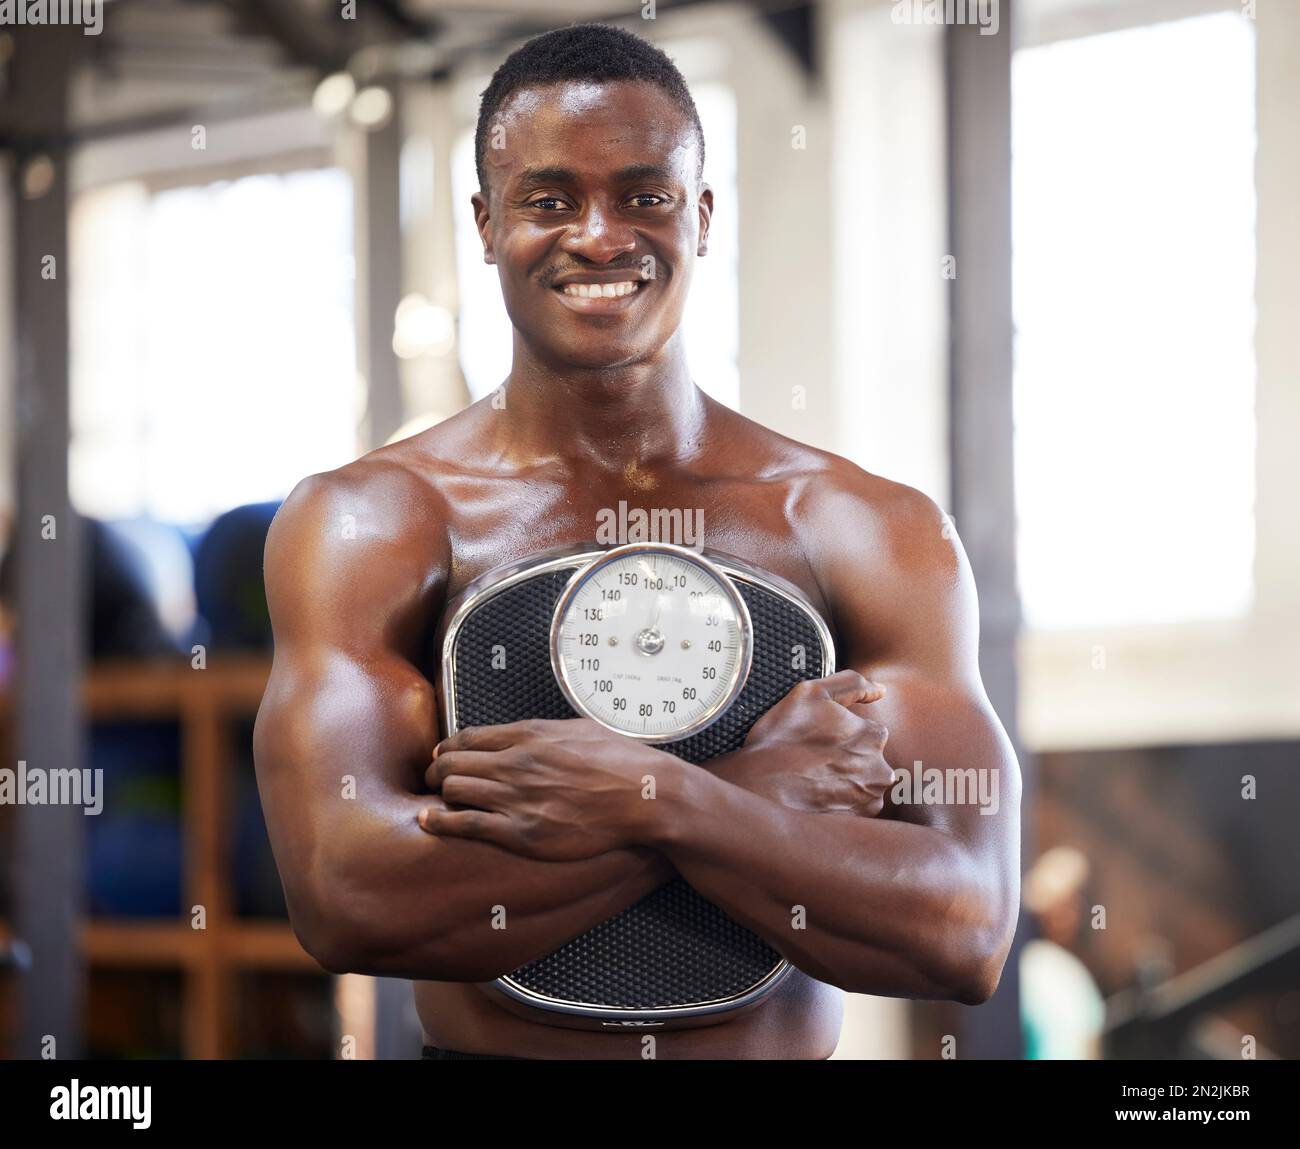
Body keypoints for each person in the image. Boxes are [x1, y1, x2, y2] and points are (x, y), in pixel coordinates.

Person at [253, 22, 1022, 1060]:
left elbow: (964, 932)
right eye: (549, 199)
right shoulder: (373, 521)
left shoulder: (868, 529)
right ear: (485, 224)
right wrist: (738, 798)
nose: (600, 236)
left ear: (701, 216)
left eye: (645, 195)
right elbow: (346, 900)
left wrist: (649, 801)